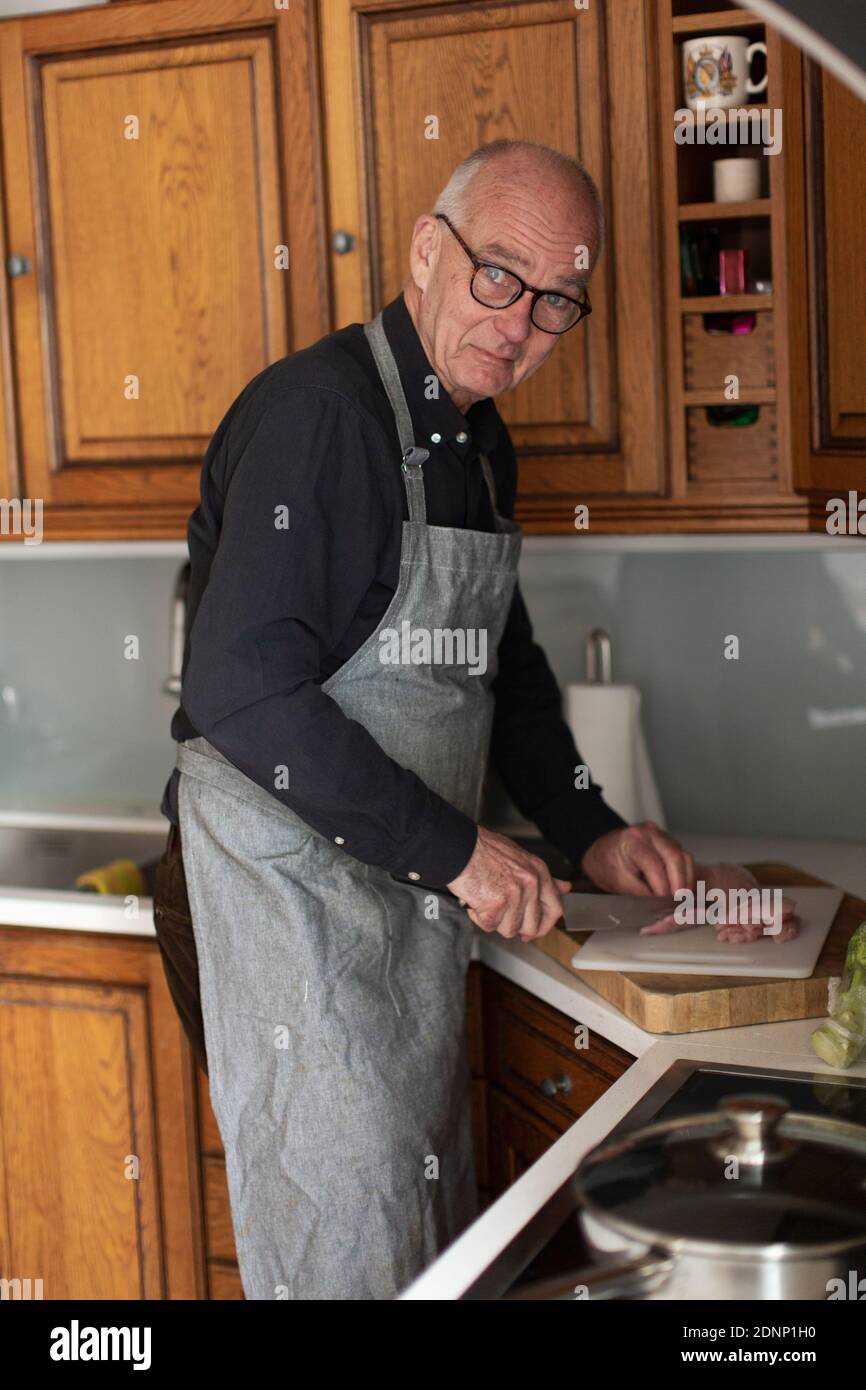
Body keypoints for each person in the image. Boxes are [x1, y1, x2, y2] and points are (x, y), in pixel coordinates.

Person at [153, 138, 697, 1300]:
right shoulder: (324, 418)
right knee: (345, 1245)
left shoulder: (476, 435)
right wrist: (457, 849)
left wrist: (586, 823)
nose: (518, 323)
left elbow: (496, 654)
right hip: (275, 893)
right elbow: (239, 686)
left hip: (395, 898)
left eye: (556, 301)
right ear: (424, 253)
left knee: (420, 1240)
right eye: (498, 275)